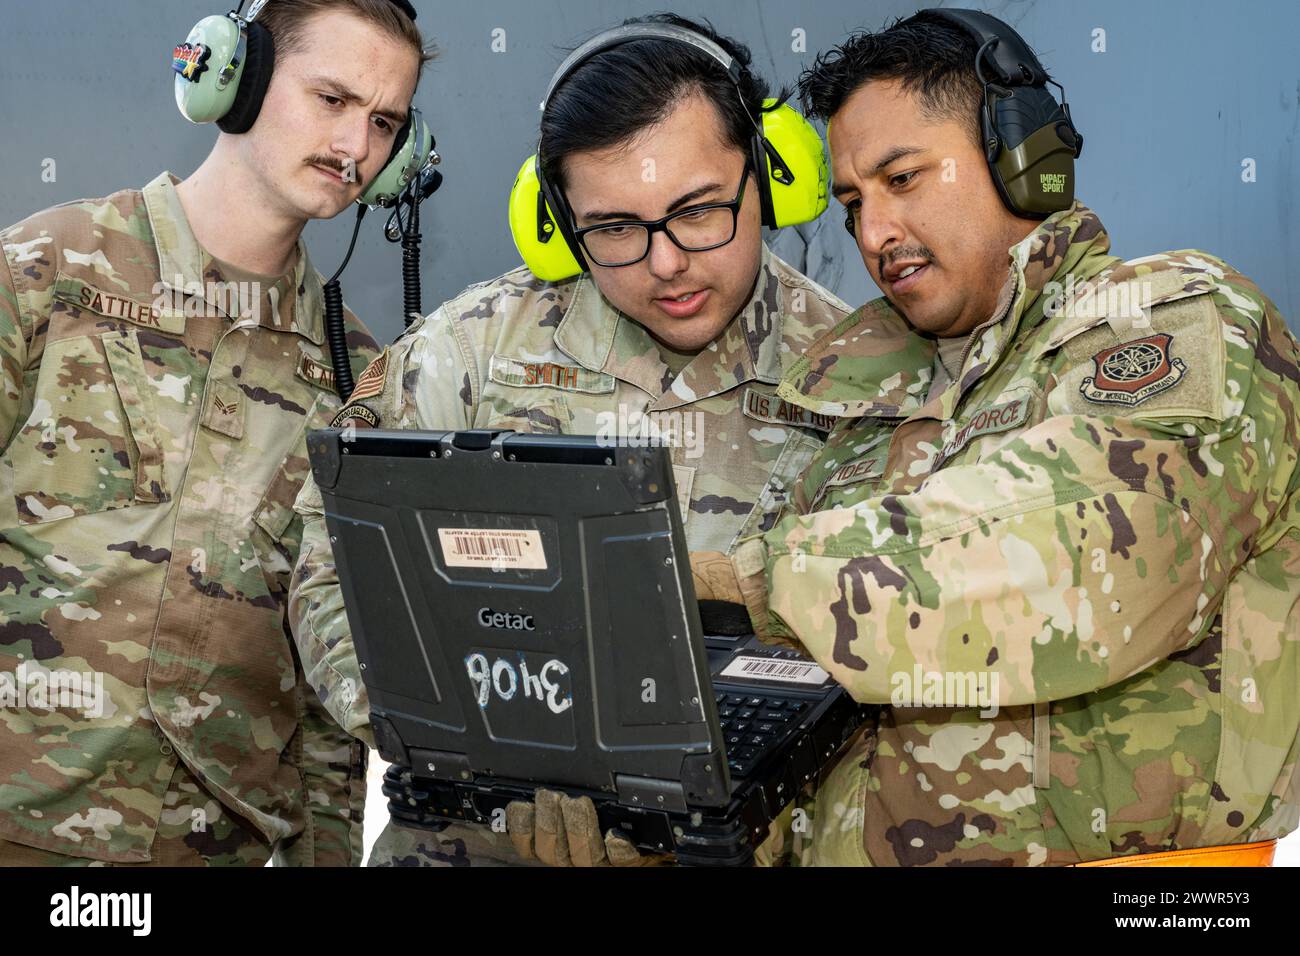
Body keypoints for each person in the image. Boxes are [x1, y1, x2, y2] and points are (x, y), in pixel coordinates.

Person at [698, 7, 1300, 867]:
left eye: (902, 179)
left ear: (1023, 160)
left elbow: (1080, 547)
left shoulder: (1173, 318)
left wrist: (748, 586)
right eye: (853, 204)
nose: (873, 234)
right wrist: (650, 814)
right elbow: (779, 701)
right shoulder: (851, 402)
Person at [288, 13, 851, 866]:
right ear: (557, 222)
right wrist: (490, 753)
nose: (664, 262)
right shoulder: (471, 349)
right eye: (615, 228)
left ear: (770, 178)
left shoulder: (856, 381)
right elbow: (332, 567)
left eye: (697, 210)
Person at [0, 0, 434, 866]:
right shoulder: (50, 271)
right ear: (235, 75)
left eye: (384, 122)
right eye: (332, 99)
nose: (355, 146)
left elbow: (326, 688)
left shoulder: (360, 380)